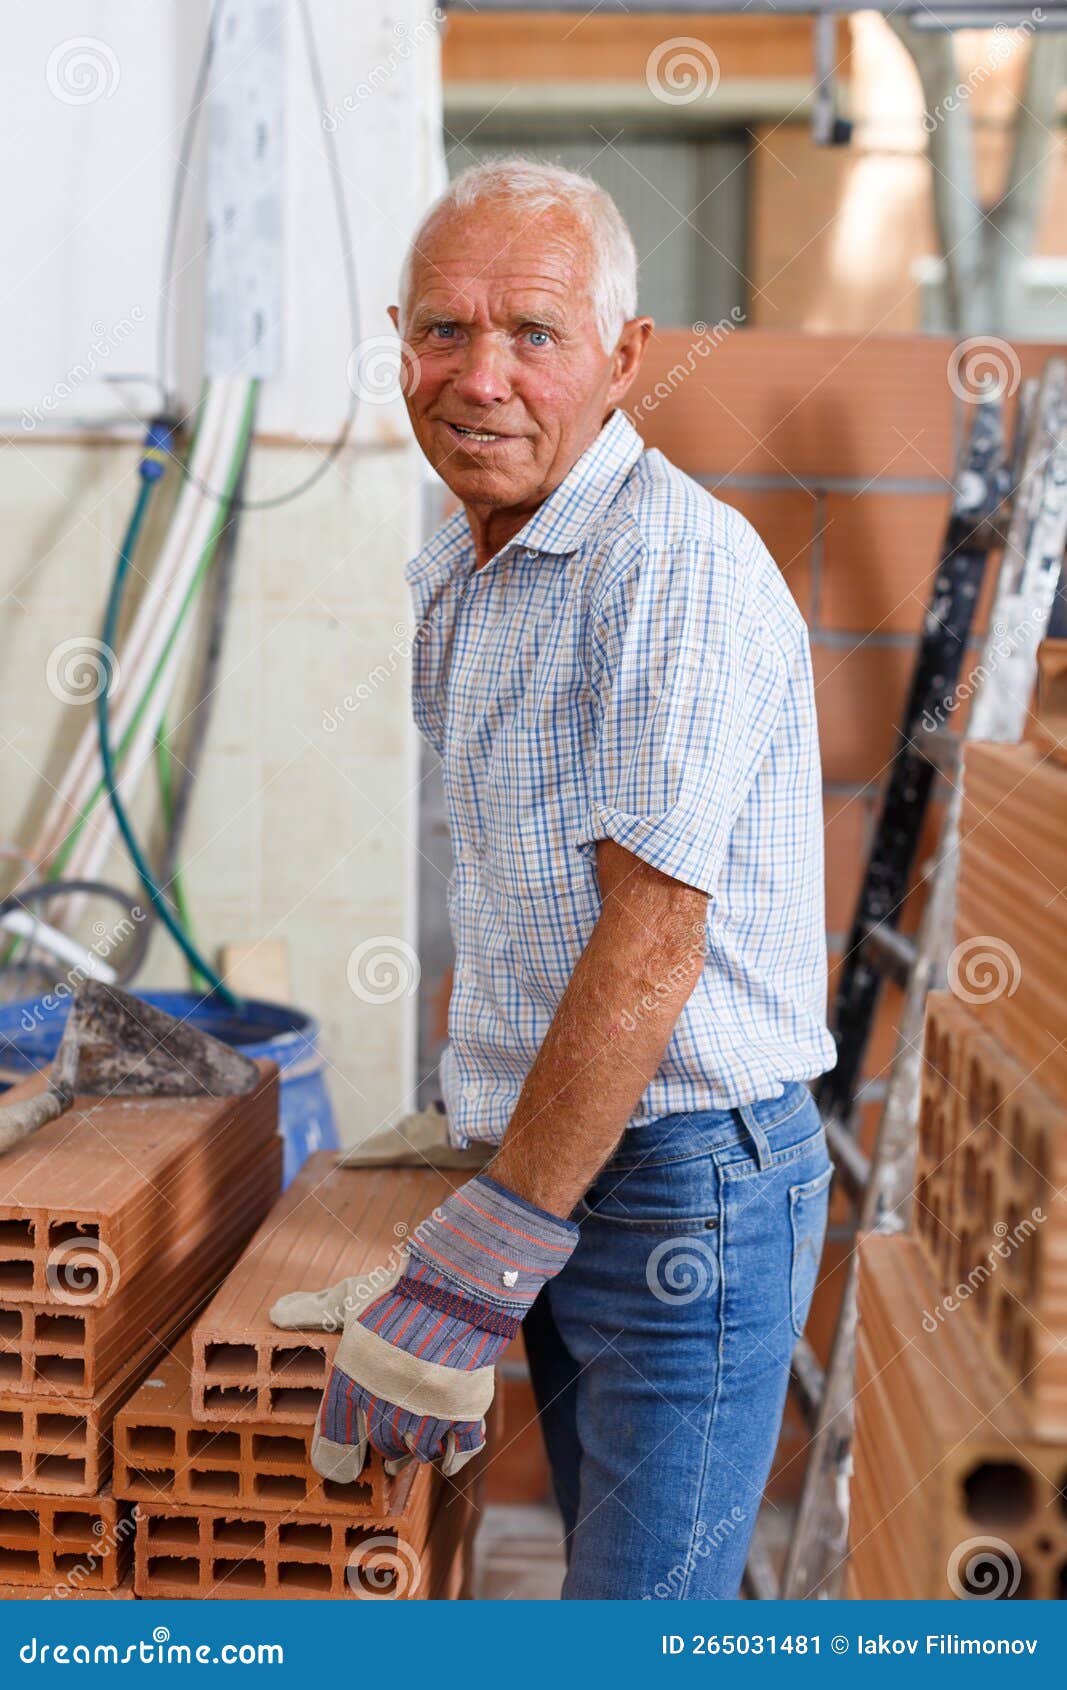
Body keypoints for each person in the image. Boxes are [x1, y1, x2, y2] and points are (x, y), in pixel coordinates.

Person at [281, 157, 836, 1600]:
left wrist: (495, 1235)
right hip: (572, 1148)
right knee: (605, 1577)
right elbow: (517, 877)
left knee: (648, 1622)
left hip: (688, 1179)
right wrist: (473, 1086)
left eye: (535, 332)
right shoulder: (464, 572)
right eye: (445, 332)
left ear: (624, 358)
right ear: (401, 340)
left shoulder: (669, 572)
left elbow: (651, 946)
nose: (482, 377)